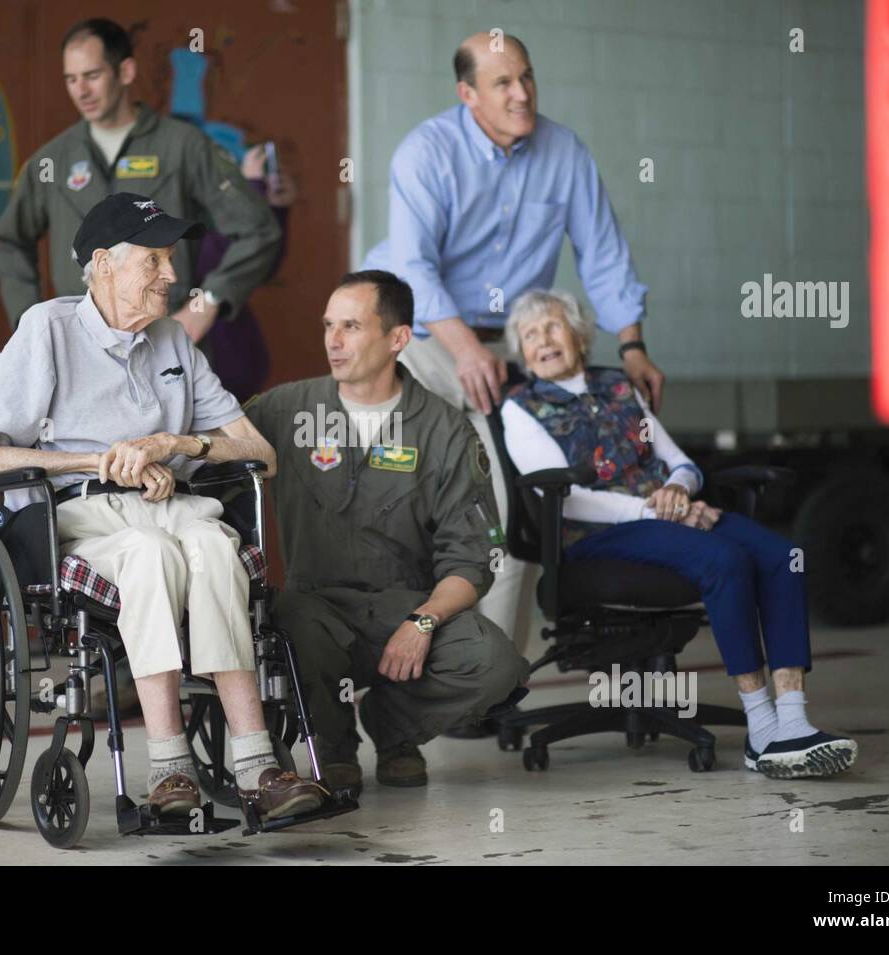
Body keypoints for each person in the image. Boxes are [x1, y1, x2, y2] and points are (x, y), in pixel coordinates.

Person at [0, 192, 324, 819]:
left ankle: (259, 767)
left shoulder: (175, 343)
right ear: (103, 263)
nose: (174, 275)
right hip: (80, 517)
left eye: (172, 259)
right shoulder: (48, 329)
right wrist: (97, 461)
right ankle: (170, 769)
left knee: (215, 547)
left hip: (174, 506)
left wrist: (177, 445)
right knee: (150, 555)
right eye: (155, 260)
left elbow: (261, 454)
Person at [361, 32, 662, 673]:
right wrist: (467, 351)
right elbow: (413, 268)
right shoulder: (427, 152)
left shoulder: (565, 154)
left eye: (526, 77)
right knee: (393, 504)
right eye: (502, 83)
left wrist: (632, 346)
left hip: (502, 350)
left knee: (511, 508)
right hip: (413, 339)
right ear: (467, 94)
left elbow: (603, 255)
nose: (521, 93)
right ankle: (385, 670)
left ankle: (489, 681)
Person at [499, 289, 858, 779]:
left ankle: (792, 721)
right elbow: (561, 495)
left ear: (580, 335)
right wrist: (656, 510)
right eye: (531, 334)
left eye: (554, 326)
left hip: (669, 513)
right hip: (596, 536)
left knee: (783, 555)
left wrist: (677, 489)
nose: (545, 340)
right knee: (724, 560)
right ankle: (761, 726)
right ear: (522, 352)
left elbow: (679, 461)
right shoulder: (521, 407)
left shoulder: (620, 387)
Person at [244, 270, 529, 798]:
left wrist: (423, 621)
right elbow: (217, 443)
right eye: (329, 325)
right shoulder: (286, 409)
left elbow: (472, 558)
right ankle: (333, 745)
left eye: (351, 326)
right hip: (317, 613)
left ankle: (394, 730)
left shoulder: (444, 429)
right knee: (290, 622)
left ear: (398, 338)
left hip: (409, 609)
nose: (333, 340)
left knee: (496, 663)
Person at [0, 17, 281, 340]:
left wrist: (207, 303)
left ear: (126, 72)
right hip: (81, 344)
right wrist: (31, 323)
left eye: (92, 76)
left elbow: (260, 230)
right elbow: (11, 242)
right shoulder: (53, 159)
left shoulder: (182, 145)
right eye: (71, 79)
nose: (81, 90)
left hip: (167, 335)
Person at [196, 143, 296, 403]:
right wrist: (252, 189)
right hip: (206, 364)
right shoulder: (182, 204)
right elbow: (210, 260)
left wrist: (275, 210)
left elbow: (259, 268)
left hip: (238, 360)